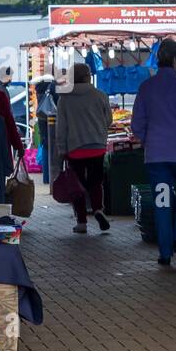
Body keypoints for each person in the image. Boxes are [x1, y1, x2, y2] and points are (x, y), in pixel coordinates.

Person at [130, 38, 176, 267]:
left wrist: (147, 140)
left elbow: (137, 124)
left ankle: (164, 252)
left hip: (157, 157)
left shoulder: (146, 87)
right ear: (174, 60)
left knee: (162, 202)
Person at [54, 62, 112, 234]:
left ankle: (81, 222)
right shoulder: (100, 95)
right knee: (96, 181)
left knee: (76, 185)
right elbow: (108, 120)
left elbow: (61, 127)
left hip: (75, 148)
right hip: (97, 146)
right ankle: (98, 209)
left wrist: (61, 149)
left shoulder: (64, 99)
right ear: (88, 77)